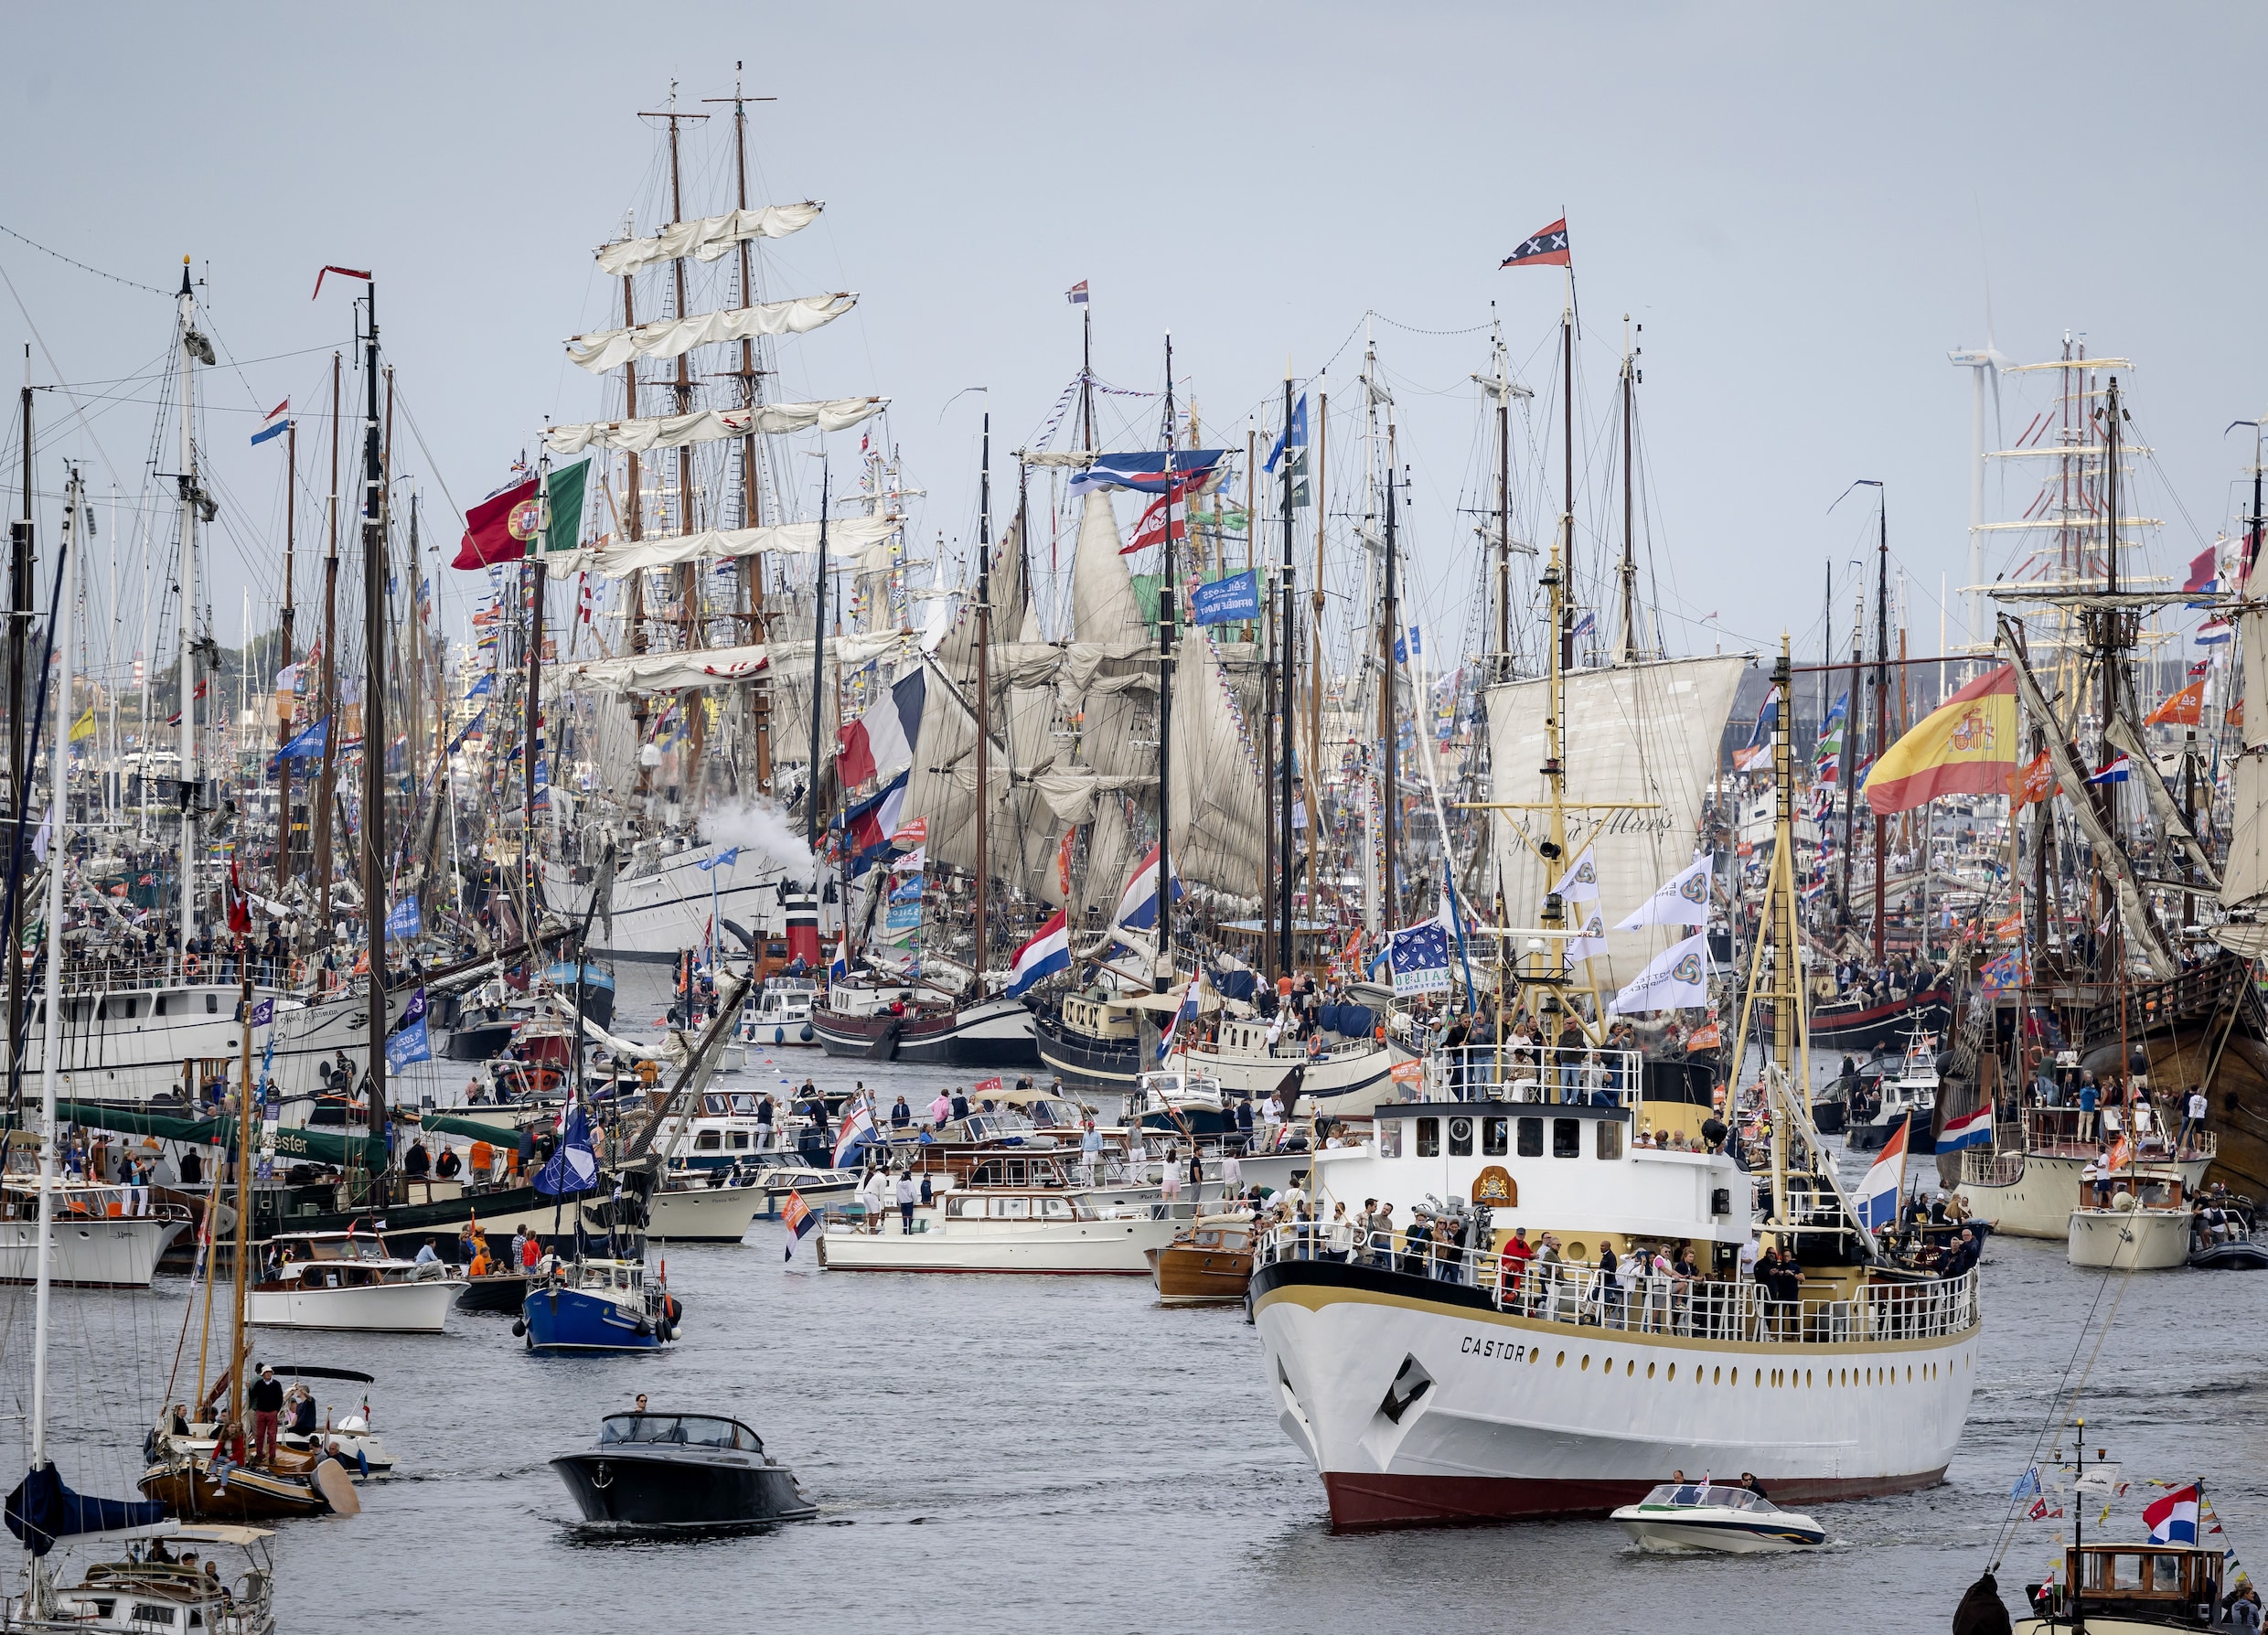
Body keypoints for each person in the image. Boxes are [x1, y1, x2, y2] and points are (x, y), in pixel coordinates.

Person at [248, 1366, 285, 1466]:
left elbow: (280, 1398)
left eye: (269, 1373)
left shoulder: (276, 1384)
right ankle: (259, 1455)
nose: (268, 1374)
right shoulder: (259, 1384)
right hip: (261, 1412)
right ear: (263, 1374)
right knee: (260, 1436)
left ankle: (272, 1457)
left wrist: (276, 1410)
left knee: (272, 1436)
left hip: (272, 1412)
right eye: (266, 1373)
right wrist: (249, 1388)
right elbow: (253, 1395)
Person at [2181, 1085, 2208, 1156]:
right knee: (2199, 1133)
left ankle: (2184, 1147)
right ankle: (2198, 1149)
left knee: (2187, 1131)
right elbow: (2204, 1108)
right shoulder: (2205, 1100)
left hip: (2192, 1117)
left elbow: (2189, 1105)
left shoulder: (2192, 1098)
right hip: (2201, 1118)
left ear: (2197, 1092)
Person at [893, 1168, 918, 1234]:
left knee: (904, 1217)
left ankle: (905, 1231)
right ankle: (908, 1231)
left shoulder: (899, 1184)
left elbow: (897, 1194)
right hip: (909, 1202)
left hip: (902, 1203)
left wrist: (899, 1203)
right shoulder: (910, 1184)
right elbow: (913, 1194)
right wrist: (915, 1202)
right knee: (909, 1217)